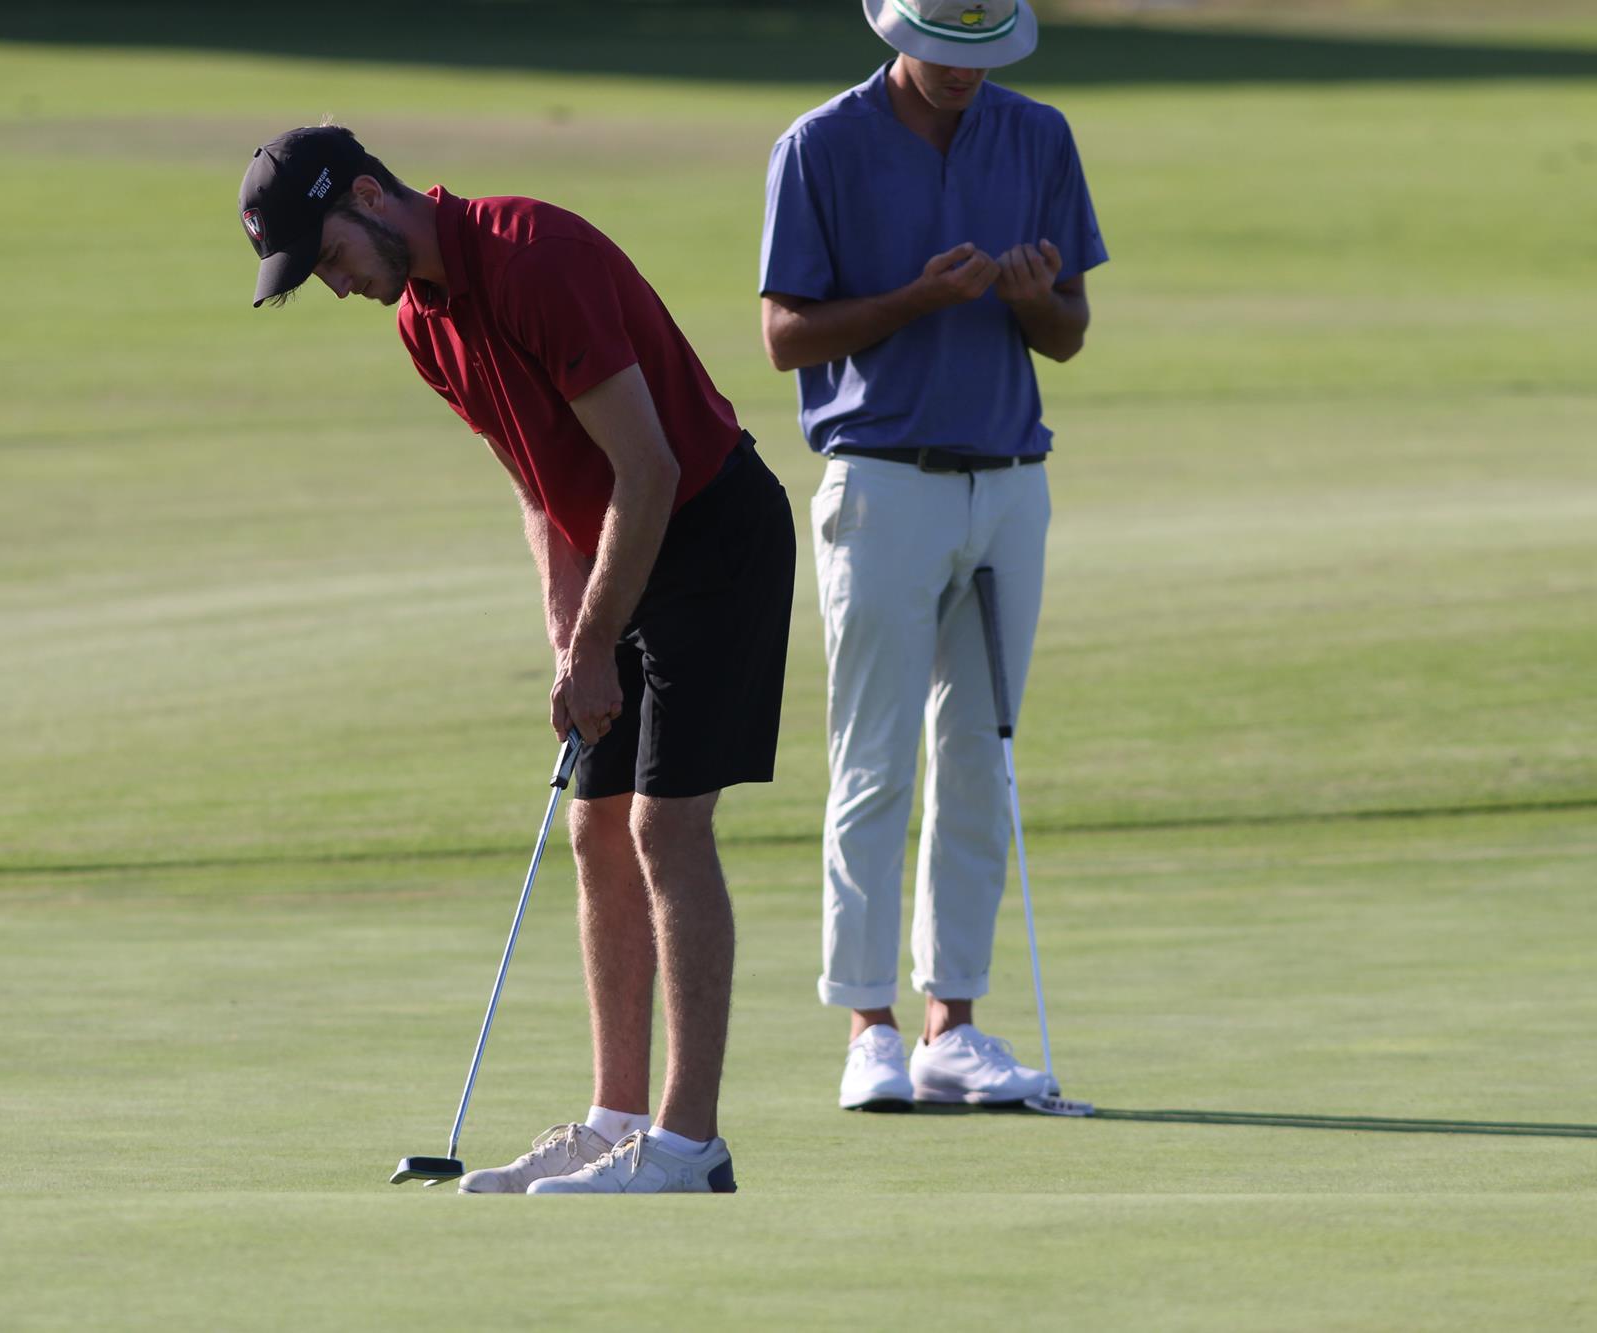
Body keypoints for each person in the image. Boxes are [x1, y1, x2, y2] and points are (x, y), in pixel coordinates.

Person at [240, 125, 796, 1191]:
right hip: (620, 556)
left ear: (369, 193)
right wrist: (560, 609)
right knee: (595, 833)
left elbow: (646, 464)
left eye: (330, 256)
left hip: (709, 532)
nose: (336, 284)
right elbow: (533, 475)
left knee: (663, 827)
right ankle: (611, 1119)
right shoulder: (421, 325)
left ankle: (686, 1145)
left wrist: (594, 641)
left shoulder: (534, 255)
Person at [758, 0, 1106, 1111]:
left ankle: (950, 1024)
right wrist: (920, 298)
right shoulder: (818, 145)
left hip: (1009, 481)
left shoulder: (1037, 135)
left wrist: (1024, 300)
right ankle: (867, 1027)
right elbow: (782, 337)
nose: (963, 73)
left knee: (977, 760)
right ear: (892, 30)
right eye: (945, 51)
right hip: (882, 481)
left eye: (982, 53)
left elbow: (1068, 330)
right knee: (872, 760)